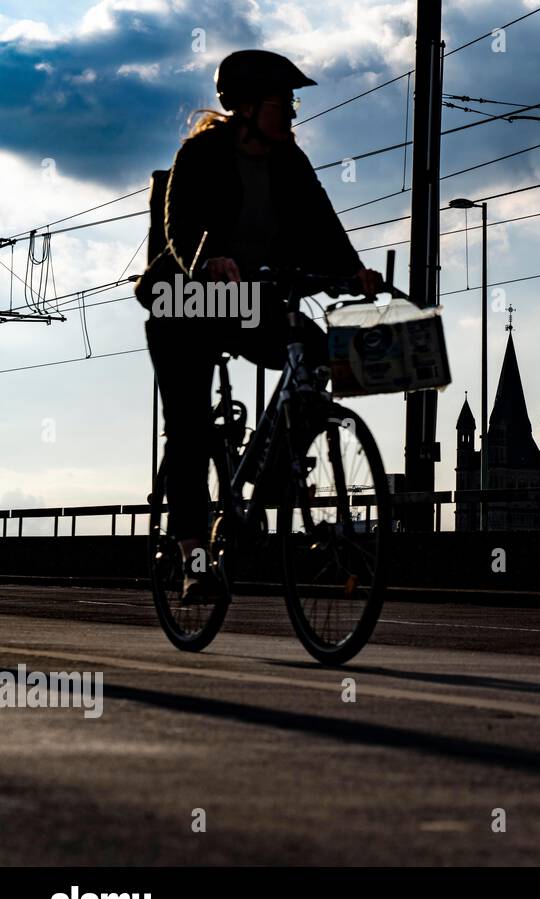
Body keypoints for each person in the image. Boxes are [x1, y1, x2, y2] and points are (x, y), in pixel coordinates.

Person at [136, 50, 381, 602]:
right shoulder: (200, 154)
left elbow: (323, 221)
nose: (292, 114)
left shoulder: (290, 163)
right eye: (283, 103)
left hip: (249, 298)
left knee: (316, 350)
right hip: (187, 299)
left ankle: (274, 472)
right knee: (191, 429)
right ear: (246, 107)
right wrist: (210, 259)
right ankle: (194, 561)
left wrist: (353, 271)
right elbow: (181, 224)